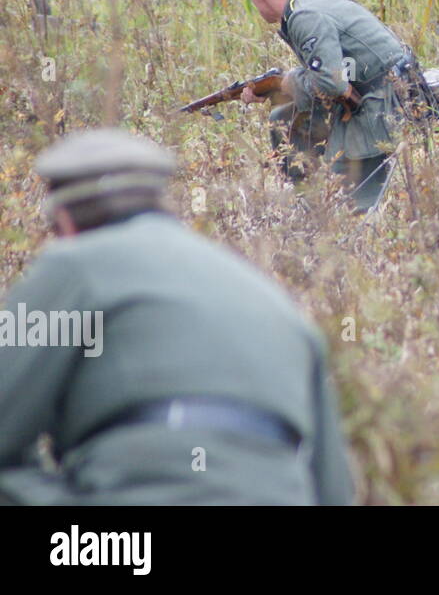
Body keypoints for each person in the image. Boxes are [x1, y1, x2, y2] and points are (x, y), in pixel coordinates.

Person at [0, 129, 353, 504]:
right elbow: (334, 490)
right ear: (160, 205)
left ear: (65, 222)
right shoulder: (270, 297)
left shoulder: (71, 265)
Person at [242, 0, 414, 212]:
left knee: (352, 207)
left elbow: (331, 84)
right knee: (283, 121)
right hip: (369, 92)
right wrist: (273, 91)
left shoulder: (305, 16)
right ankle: (308, 204)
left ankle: (348, 228)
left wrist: (287, 82)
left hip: (378, 103)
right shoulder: (314, 1)